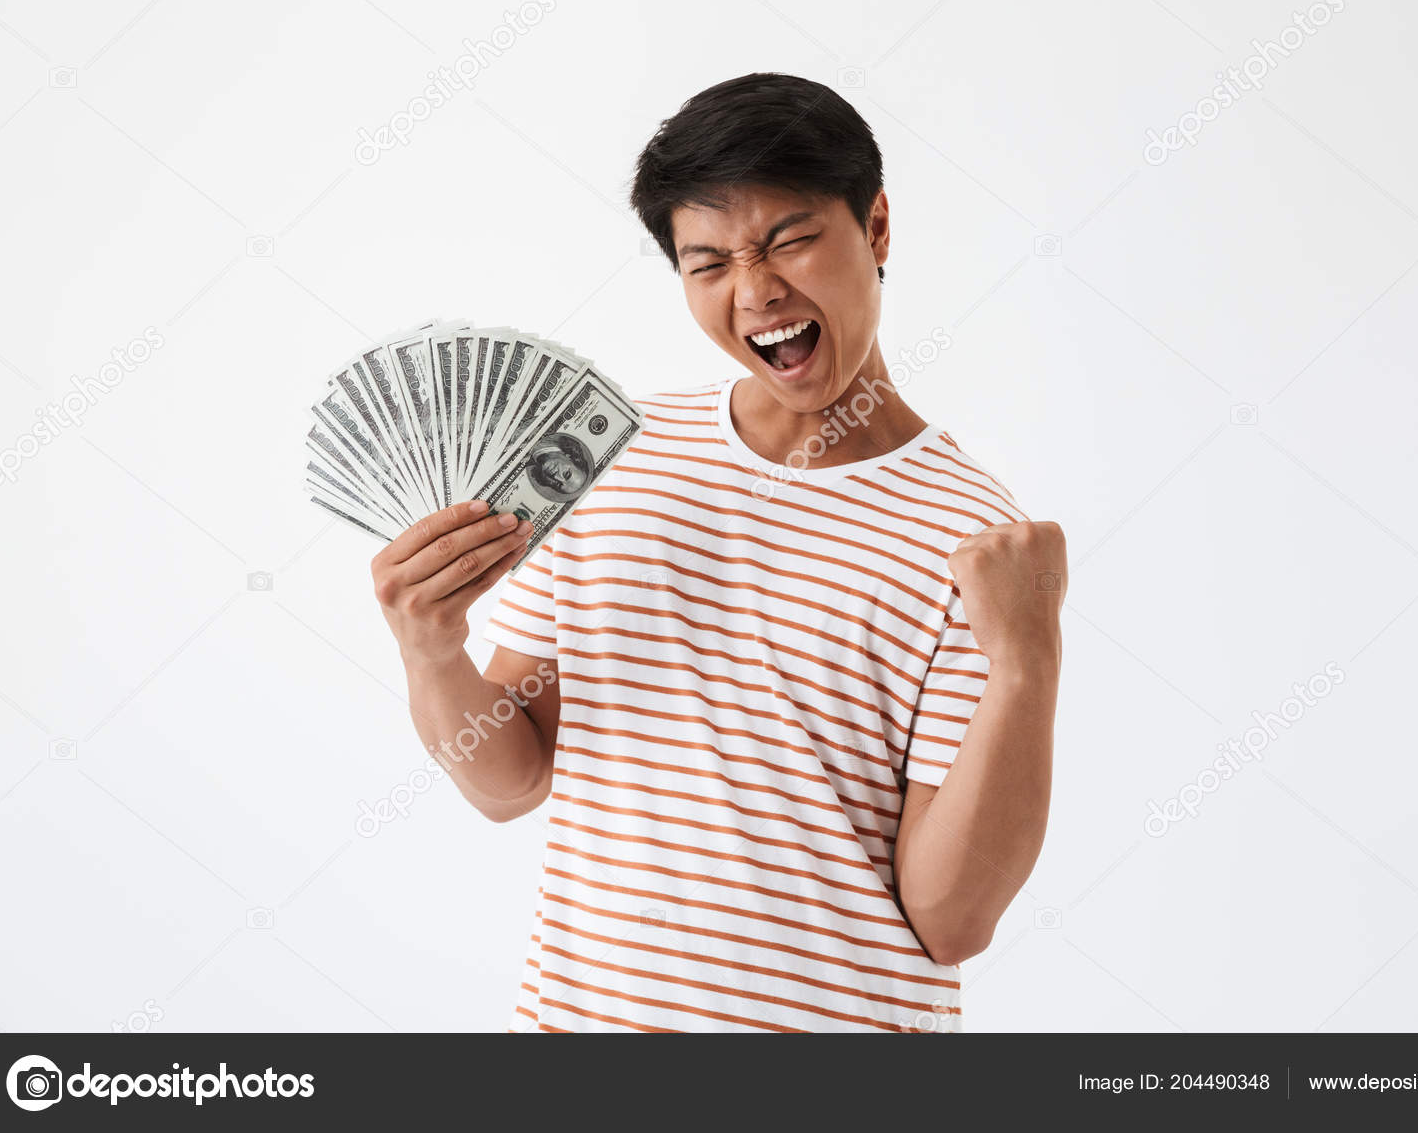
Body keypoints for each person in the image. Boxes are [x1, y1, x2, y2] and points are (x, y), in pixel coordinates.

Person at [368, 72, 1064, 1033]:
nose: (757, 290)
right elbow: (513, 781)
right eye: (709, 264)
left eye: (789, 240)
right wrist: (430, 648)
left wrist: (1028, 661)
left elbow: (950, 918)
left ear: (878, 228)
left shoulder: (973, 536)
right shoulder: (608, 455)